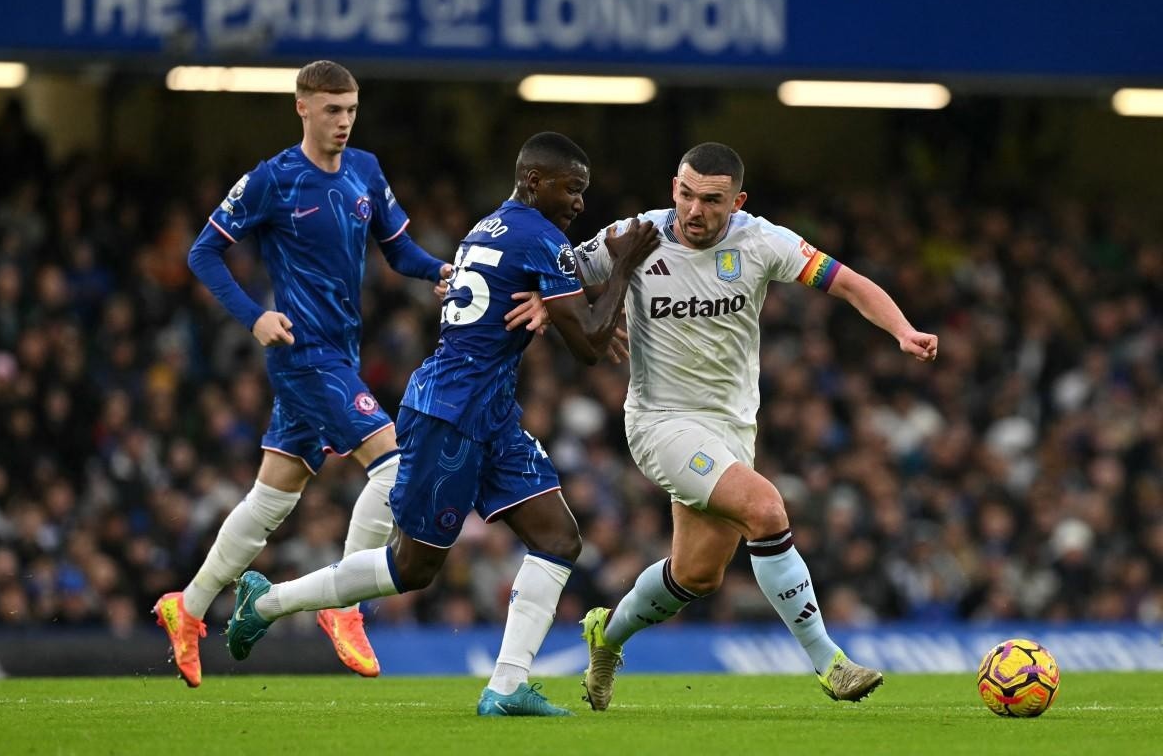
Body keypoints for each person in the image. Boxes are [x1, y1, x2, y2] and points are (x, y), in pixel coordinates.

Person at [223, 132, 660, 716]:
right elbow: (587, 344)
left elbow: (559, 312)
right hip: (450, 413)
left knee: (559, 539)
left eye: (584, 191)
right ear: (534, 181)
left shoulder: (491, 227)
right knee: (412, 566)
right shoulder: (541, 236)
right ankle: (266, 603)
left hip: (489, 412)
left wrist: (565, 307)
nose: (580, 201)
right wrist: (625, 264)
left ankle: (504, 688)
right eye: (571, 188)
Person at [571, 142, 938, 709]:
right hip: (661, 423)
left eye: (711, 201)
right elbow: (560, 269)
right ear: (674, 187)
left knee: (696, 576)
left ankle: (606, 638)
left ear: (736, 201)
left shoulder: (762, 240)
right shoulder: (636, 235)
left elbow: (847, 282)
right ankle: (830, 663)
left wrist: (902, 331)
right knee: (766, 509)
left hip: (732, 428)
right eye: (686, 195)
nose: (695, 211)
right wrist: (515, 296)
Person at [153, 60, 454, 687]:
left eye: (350, 110)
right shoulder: (273, 180)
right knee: (394, 463)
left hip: (339, 351)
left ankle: (188, 606)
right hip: (301, 351)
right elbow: (202, 252)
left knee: (272, 497)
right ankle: (344, 605)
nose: (343, 123)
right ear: (302, 108)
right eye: (331, 111)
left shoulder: (366, 170)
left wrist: (439, 272)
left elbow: (398, 249)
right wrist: (253, 315)